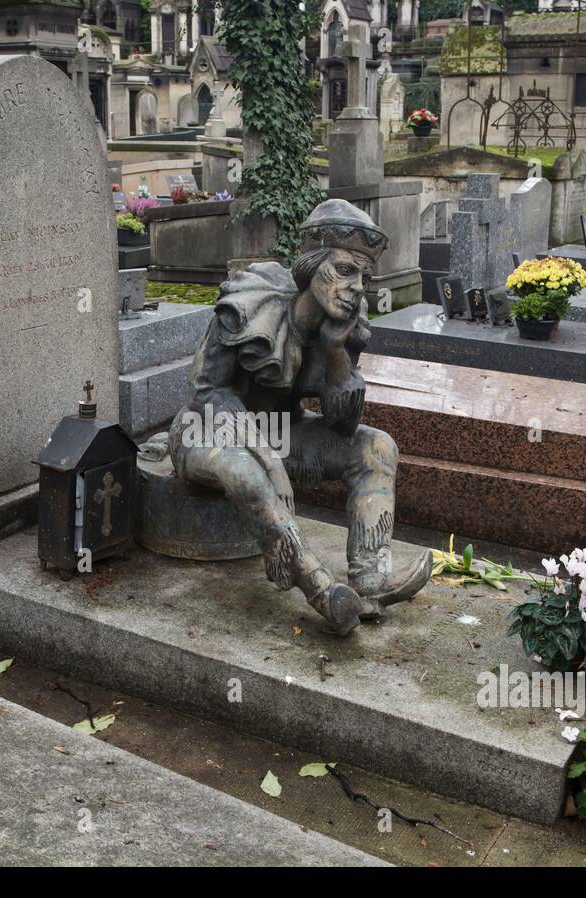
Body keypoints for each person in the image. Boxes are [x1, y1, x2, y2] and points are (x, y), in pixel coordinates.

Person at [168, 199, 431, 634]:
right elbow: (206, 391)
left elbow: (343, 428)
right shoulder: (249, 303)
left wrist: (334, 355)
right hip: (206, 432)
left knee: (377, 446)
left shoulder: (342, 326)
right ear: (312, 268)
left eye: (363, 276)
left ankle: (370, 577)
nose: (356, 286)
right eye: (345, 270)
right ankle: (320, 589)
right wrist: (269, 461)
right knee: (244, 470)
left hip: (282, 435)